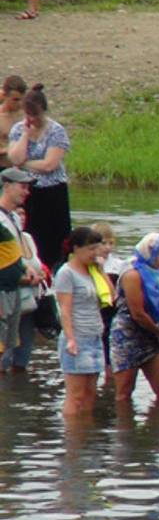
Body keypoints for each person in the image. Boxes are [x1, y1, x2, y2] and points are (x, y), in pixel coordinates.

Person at [6, 83, 70, 269]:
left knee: (54, 239)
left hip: (52, 191)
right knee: (28, 232)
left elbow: (49, 165)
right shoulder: (19, 129)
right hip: (28, 190)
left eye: (36, 115)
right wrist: (26, 134)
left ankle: (55, 269)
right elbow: (14, 157)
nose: (32, 119)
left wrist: (25, 164)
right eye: (28, 115)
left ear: (43, 111)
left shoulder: (56, 131)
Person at [110, 233, 159, 403]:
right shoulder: (132, 274)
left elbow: (157, 305)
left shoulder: (154, 272)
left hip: (150, 335)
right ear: (150, 253)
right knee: (124, 393)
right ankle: (125, 426)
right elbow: (137, 313)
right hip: (128, 336)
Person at [54, 227, 105, 417]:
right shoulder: (66, 273)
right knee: (76, 395)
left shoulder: (93, 271)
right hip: (77, 337)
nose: (96, 253)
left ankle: (85, 436)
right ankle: (72, 440)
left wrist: (101, 271)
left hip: (94, 336)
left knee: (91, 394)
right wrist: (71, 339)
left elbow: (110, 297)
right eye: (91, 249)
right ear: (76, 248)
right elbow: (65, 310)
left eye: (97, 248)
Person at [0, 168, 39, 363]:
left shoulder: (14, 217)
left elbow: (13, 251)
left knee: (9, 345)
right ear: (6, 186)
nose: (27, 192)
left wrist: (26, 267)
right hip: (2, 290)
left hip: (14, 288)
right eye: (22, 187)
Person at [1, 206, 46, 373]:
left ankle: (17, 391)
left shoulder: (27, 238)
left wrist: (39, 276)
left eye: (22, 214)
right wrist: (26, 279)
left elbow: (35, 264)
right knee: (5, 350)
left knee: (24, 351)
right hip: (8, 298)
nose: (21, 217)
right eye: (17, 214)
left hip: (29, 302)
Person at [90, 222, 122, 379]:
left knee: (111, 356)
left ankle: (109, 382)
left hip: (112, 315)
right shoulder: (88, 264)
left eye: (111, 243)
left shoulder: (118, 264)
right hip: (95, 315)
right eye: (104, 243)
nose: (108, 247)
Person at [0, 76, 27, 166]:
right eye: (15, 100)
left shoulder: (26, 115)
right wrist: (10, 150)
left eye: (22, 99)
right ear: (4, 96)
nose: (19, 104)